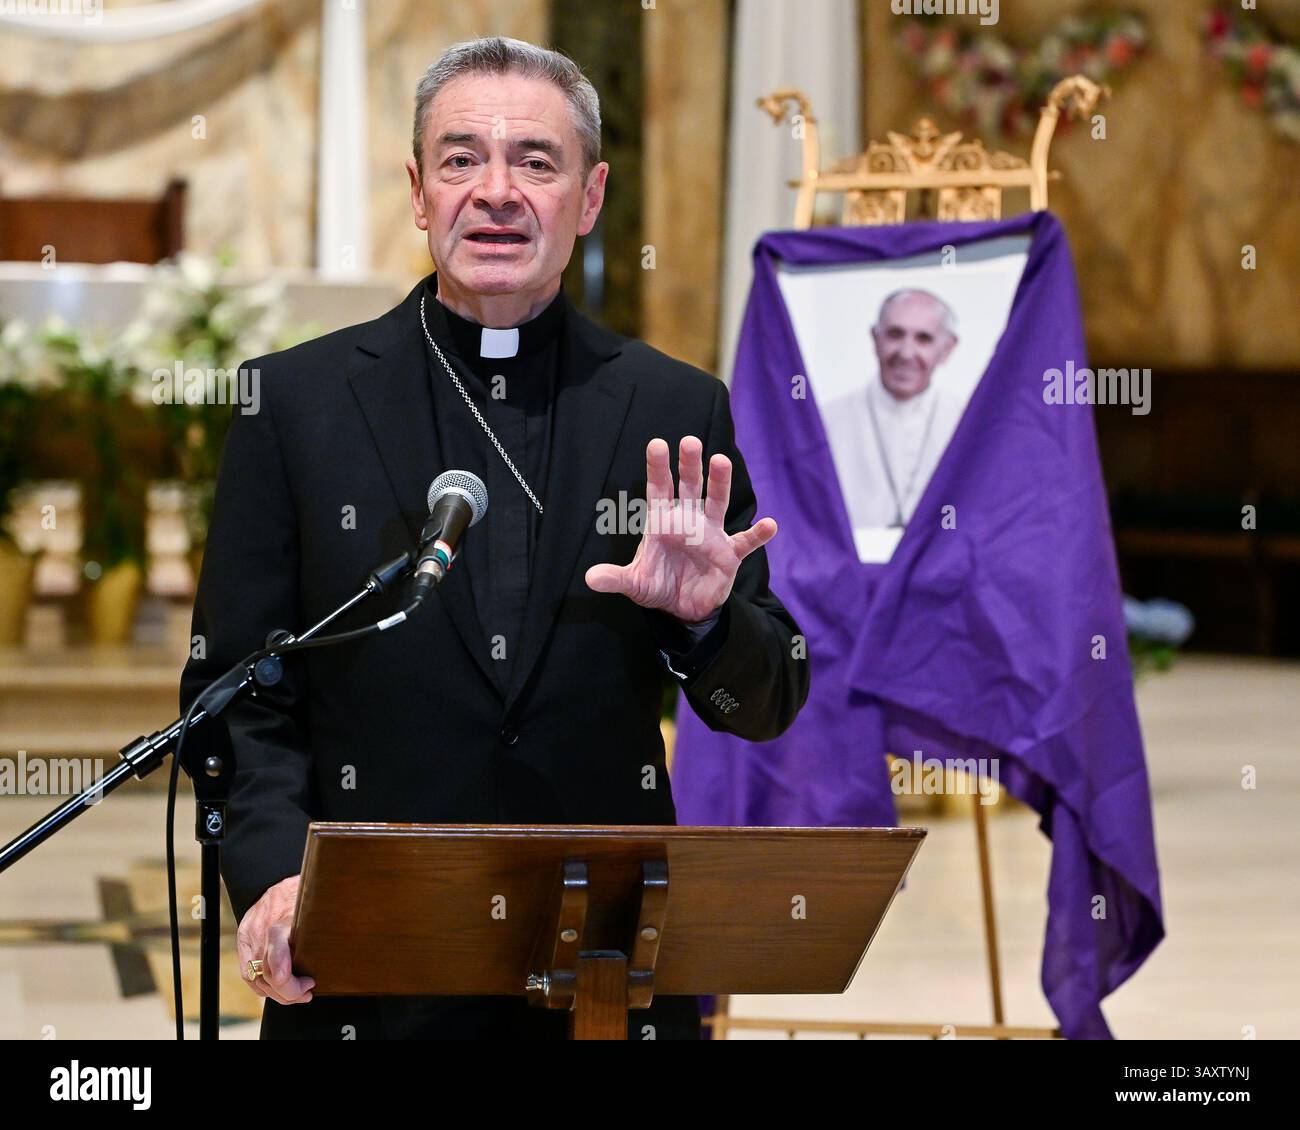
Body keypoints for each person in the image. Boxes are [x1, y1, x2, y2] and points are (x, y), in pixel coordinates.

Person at [179, 35, 809, 1040]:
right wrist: (270, 877)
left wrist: (705, 623)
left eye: (537, 161)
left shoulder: (672, 405)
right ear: (419, 190)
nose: (497, 191)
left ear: (591, 197)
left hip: (601, 969)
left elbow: (767, 699)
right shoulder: (293, 404)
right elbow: (235, 697)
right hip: (368, 969)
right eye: (461, 158)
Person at [820, 288, 961, 545]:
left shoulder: (966, 424)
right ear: (875, 338)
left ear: (947, 349)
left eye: (924, 338)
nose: (906, 353)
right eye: (895, 334)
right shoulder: (827, 422)